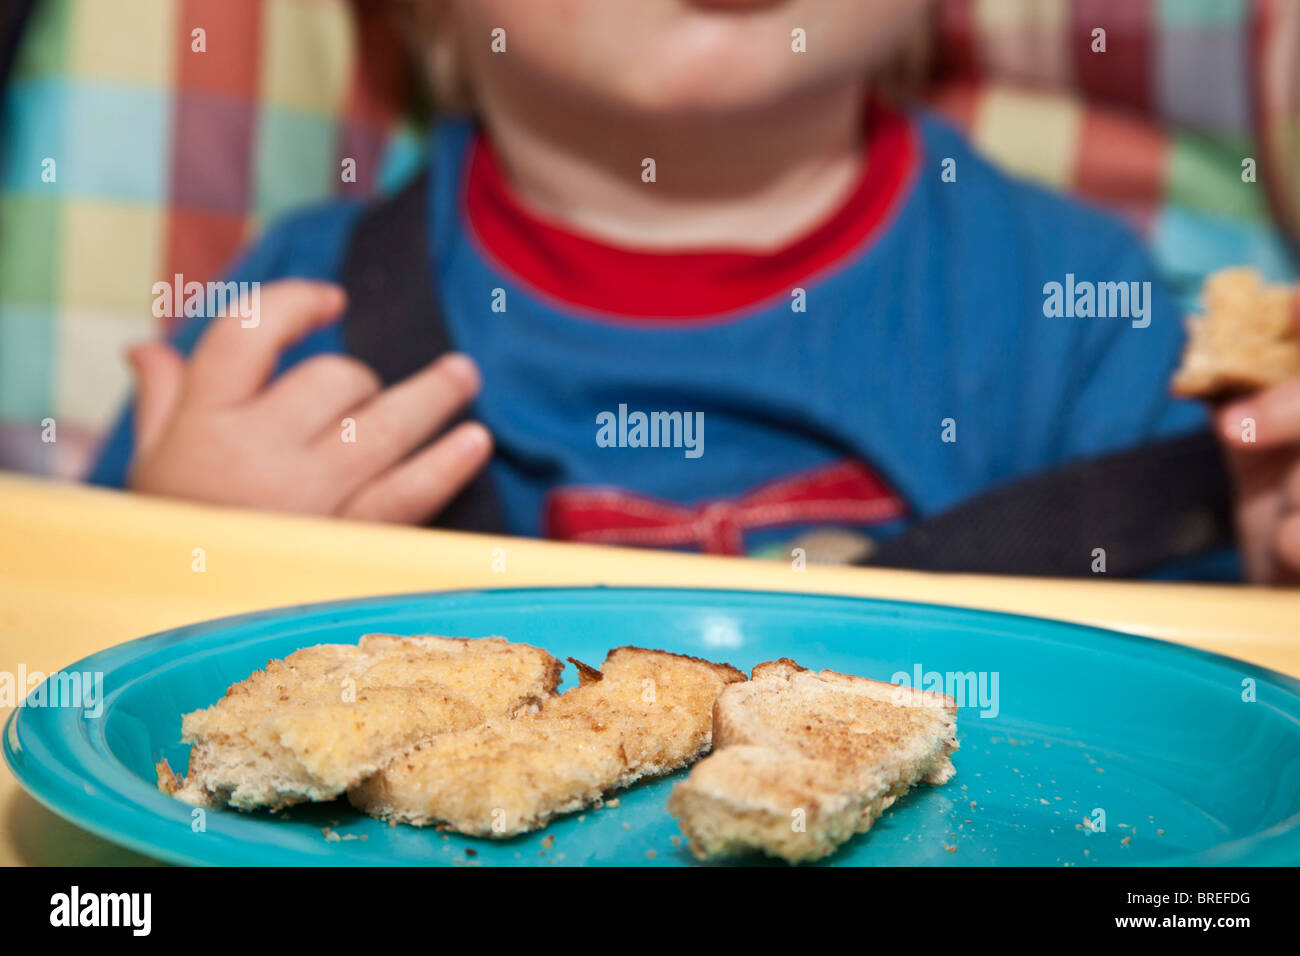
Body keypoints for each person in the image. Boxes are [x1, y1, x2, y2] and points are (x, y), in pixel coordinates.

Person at [89, 0, 1300, 583]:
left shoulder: (1074, 305)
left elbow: (1188, 715)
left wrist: (1267, 549)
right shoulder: (307, 316)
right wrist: (192, 554)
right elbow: (67, 664)